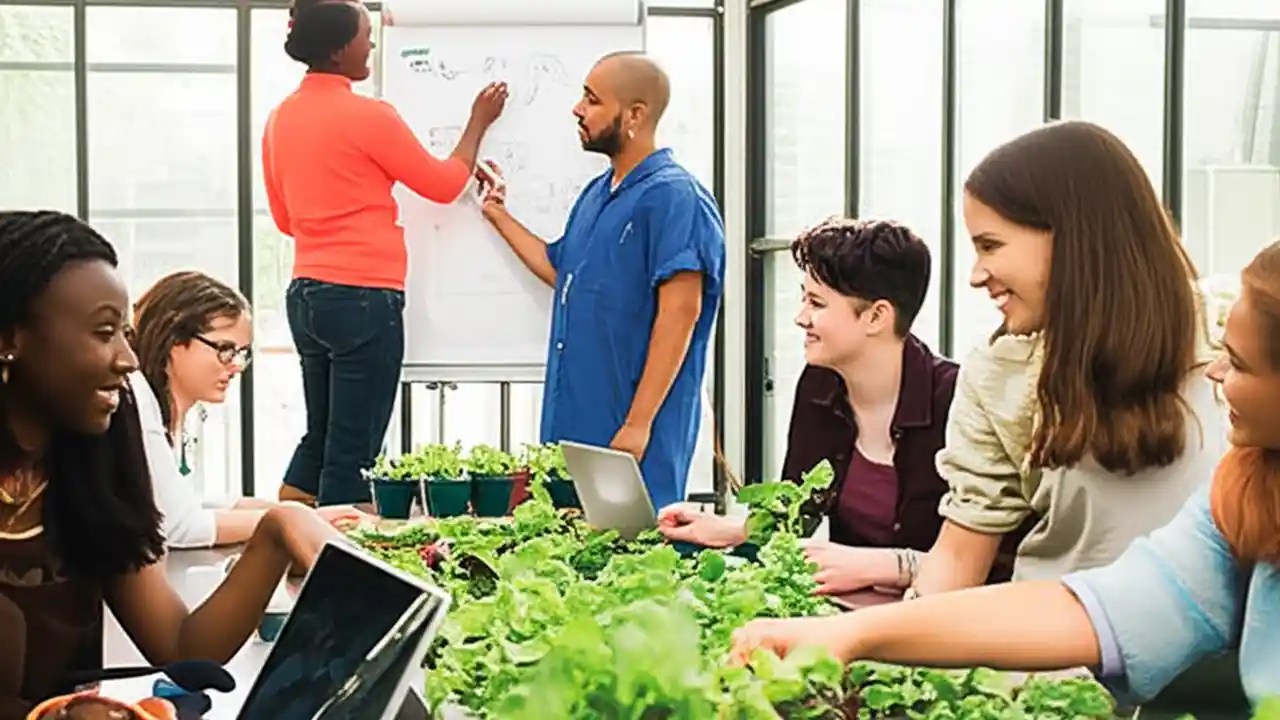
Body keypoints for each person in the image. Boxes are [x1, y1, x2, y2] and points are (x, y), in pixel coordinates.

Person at [728, 239, 1280, 712]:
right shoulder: (1239, 494)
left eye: (1239, 362)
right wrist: (845, 635)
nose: (1213, 370)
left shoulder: (960, 390)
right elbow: (1098, 610)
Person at [0, 211, 339, 715]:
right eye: (103, 332)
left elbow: (182, 648)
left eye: (125, 334)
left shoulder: (94, 453)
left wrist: (277, 530)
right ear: (9, 339)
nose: (129, 360)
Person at [893, 120, 1223, 597]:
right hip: (1060, 660)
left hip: (1225, 661)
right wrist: (885, 657)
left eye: (990, 245)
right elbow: (959, 556)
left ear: (1073, 235)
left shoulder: (1226, 333)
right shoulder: (997, 374)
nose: (976, 275)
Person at [659, 218, 1016, 594]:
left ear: (877, 316)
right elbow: (796, 513)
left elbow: (997, 562)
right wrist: (729, 529)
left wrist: (885, 567)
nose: (800, 318)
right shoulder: (820, 384)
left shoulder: (960, 400)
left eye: (816, 303)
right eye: (803, 299)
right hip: (850, 604)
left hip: (946, 619)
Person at [263, 1, 508, 507]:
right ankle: (335, 573)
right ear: (337, 50)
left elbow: (286, 221)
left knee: (321, 438)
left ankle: (286, 555)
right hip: (362, 297)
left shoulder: (279, 119)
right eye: (364, 37)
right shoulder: (368, 116)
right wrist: (477, 123)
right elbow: (442, 184)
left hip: (305, 295)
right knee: (353, 453)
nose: (371, 45)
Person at [477, 51, 725, 510]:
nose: (577, 109)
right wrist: (496, 214)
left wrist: (638, 424)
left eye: (591, 100)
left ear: (635, 114)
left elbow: (681, 312)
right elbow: (561, 271)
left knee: (631, 567)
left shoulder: (676, 196)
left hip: (631, 435)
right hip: (573, 428)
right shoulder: (597, 193)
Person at [129, 270, 363, 548]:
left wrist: (309, 516)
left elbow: (195, 502)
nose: (237, 365)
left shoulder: (167, 409)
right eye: (225, 349)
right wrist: (297, 521)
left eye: (242, 353)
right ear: (174, 339)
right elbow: (180, 526)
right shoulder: (138, 403)